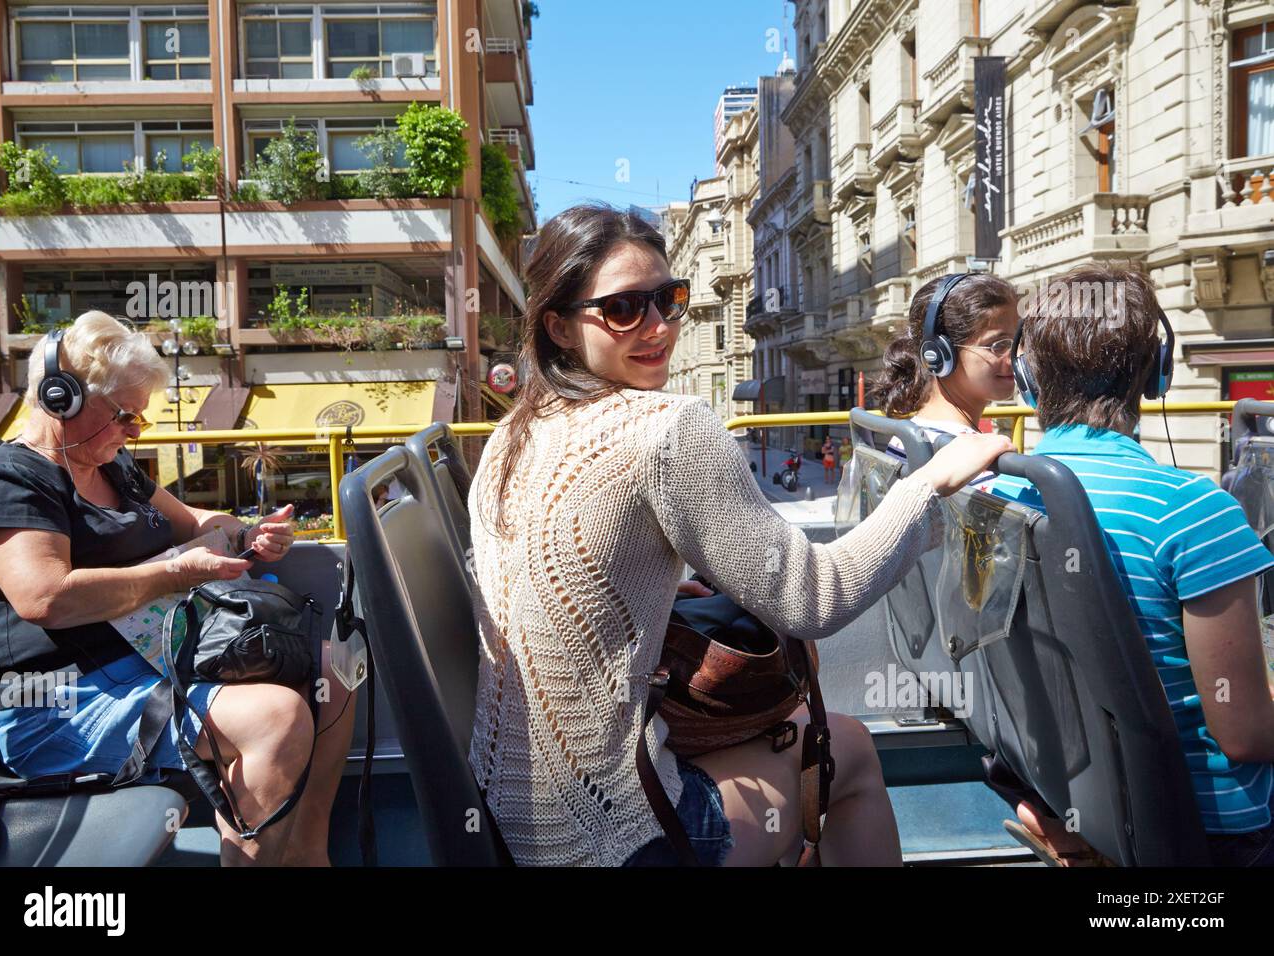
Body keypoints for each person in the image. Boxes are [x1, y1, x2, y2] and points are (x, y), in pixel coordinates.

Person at [466, 203, 1012, 867]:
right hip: (614, 840)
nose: (658, 326)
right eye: (623, 309)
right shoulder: (668, 428)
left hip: (507, 817)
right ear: (557, 325)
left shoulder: (506, 437)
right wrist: (926, 488)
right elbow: (815, 599)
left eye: (669, 299)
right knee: (853, 753)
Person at [0, 311, 355, 866]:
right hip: (56, 703)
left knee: (333, 672)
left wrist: (247, 533)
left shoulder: (114, 467)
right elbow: (46, 598)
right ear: (63, 401)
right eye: (125, 416)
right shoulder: (8, 479)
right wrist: (176, 574)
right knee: (276, 717)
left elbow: (194, 522)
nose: (136, 431)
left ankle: (306, 855)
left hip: (147, 661)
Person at [989, 266, 1274, 866]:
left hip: (1079, 799)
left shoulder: (998, 500)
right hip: (1213, 832)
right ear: (1158, 373)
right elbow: (1244, 734)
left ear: (1027, 379)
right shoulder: (1195, 513)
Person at [869, 272, 1020, 491]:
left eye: (1018, 342)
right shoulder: (973, 464)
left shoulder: (914, 434)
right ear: (939, 354)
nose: (1015, 356)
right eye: (997, 345)